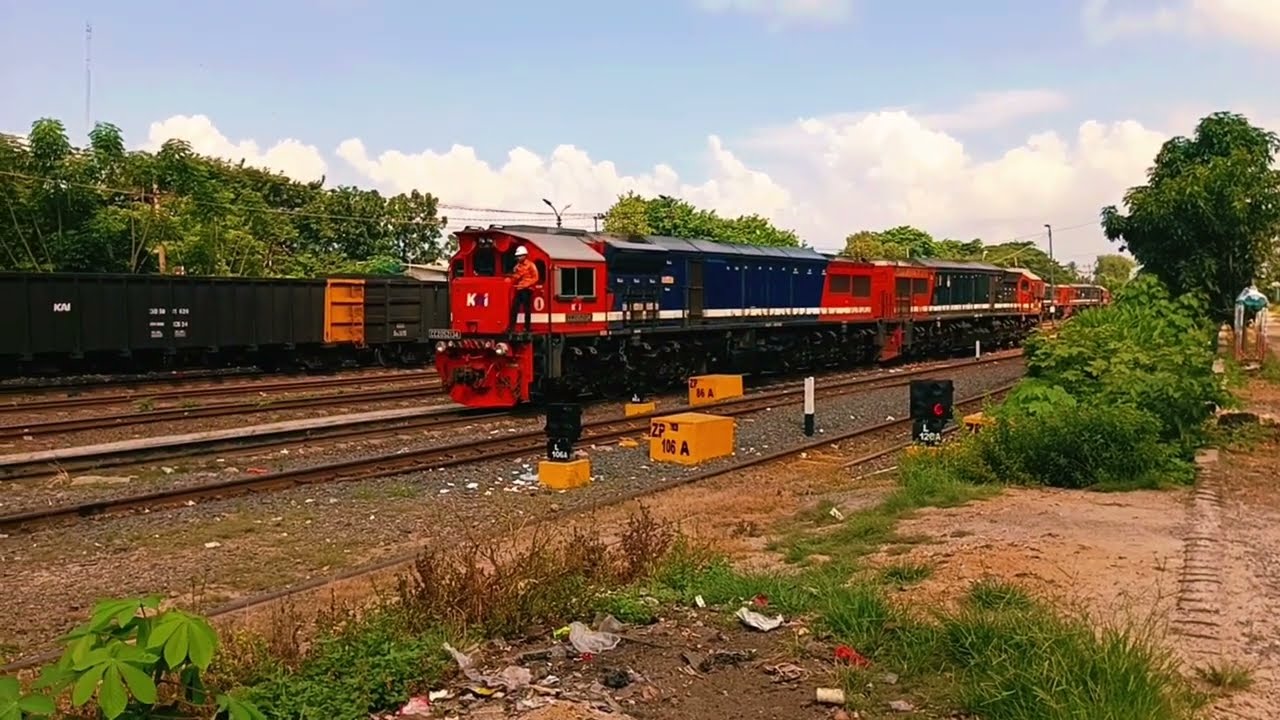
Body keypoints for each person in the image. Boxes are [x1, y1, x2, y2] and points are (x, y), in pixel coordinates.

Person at [509, 245, 538, 332]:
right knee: (514, 308)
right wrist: (512, 275)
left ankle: (527, 327)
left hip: (527, 289)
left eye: (520, 256)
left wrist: (527, 284)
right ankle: (512, 327)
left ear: (525, 256)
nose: (518, 258)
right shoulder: (518, 266)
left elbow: (536, 277)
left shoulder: (531, 265)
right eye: (517, 256)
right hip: (519, 288)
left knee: (526, 308)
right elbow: (517, 277)